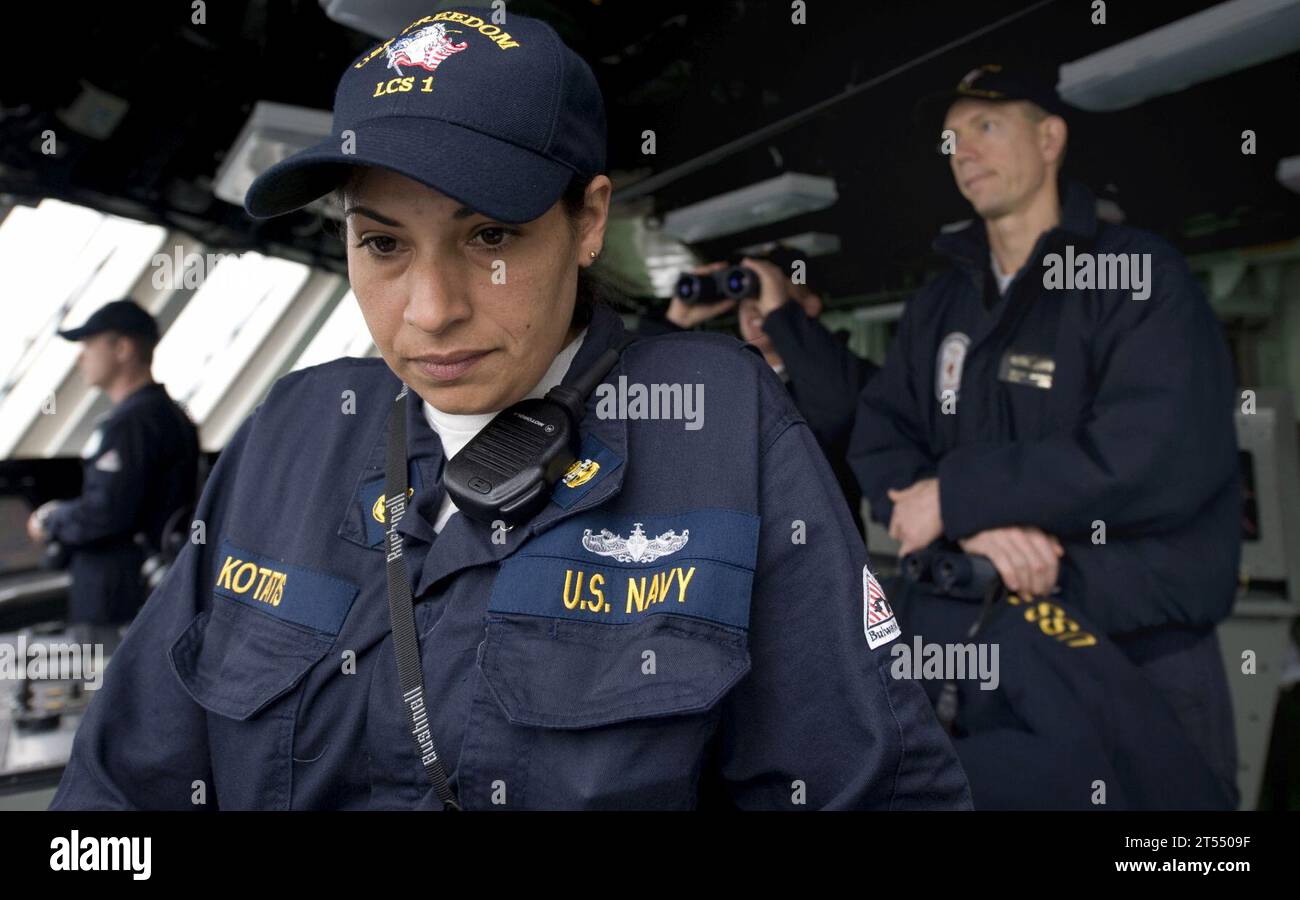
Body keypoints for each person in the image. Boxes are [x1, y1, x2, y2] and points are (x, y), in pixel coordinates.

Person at [50, 10, 971, 811]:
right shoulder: (292, 429)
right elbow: (124, 790)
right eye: (382, 243)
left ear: (590, 220)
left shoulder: (722, 429)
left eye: (490, 235)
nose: (432, 309)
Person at [848, 63, 1241, 805]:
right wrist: (972, 528)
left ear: (1051, 136)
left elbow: (1154, 455)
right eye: (951, 138)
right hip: (989, 637)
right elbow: (882, 432)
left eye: (986, 127)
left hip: (1137, 644)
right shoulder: (941, 302)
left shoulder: (1138, 277)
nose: (962, 150)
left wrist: (959, 499)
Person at [642, 248, 878, 533]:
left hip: (821, 562)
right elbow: (641, 406)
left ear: (810, 305)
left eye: (768, 294)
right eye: (747, 297)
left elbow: (838, 408)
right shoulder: (722, 382)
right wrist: (673, 323)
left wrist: (782, 318)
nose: (755, 307)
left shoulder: (844, 376)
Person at [27, 299, 199, 644]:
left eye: (89, 345)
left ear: (122, 348)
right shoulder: (172, 415)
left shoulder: (131, 423)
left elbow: (106, 514)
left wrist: (50, 519)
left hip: (117, 597)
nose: (81, 357)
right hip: (153, 588)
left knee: (101, 687)